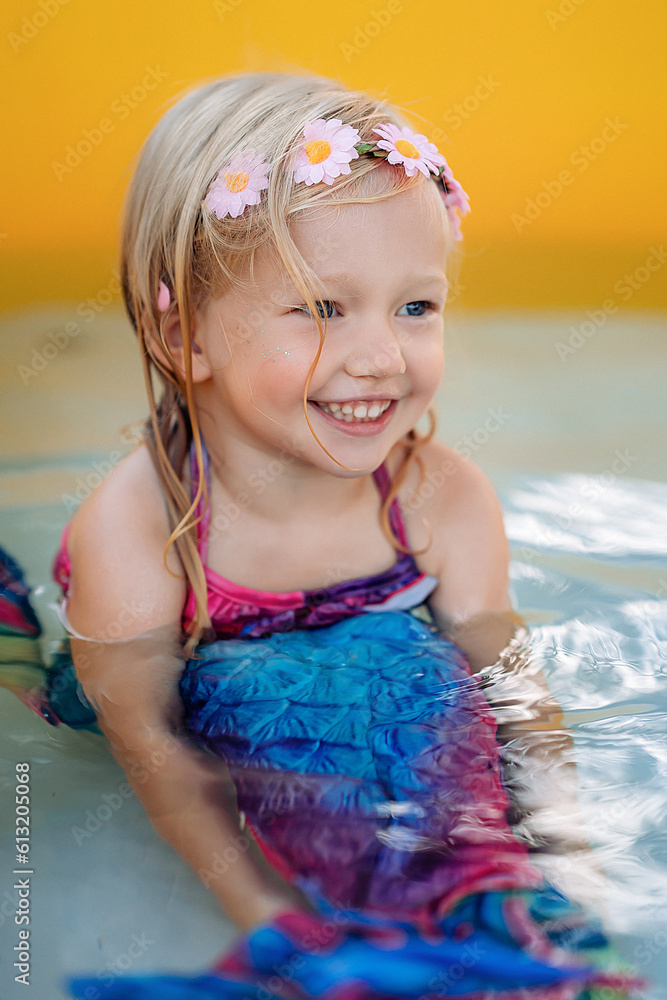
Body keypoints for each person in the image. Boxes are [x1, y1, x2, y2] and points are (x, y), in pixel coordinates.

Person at [0, 72, 640, 998]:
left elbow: (516, 698)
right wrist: (266, 914)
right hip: (169, 688)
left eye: (415, 306)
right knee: (141, 696)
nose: (381, 355)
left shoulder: (437, 502)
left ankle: (484, 909)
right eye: (322, 307)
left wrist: (568, 864)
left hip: (369, 712)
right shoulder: (140, 535)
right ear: (182, 335)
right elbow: (148, 745)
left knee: (415, 678)